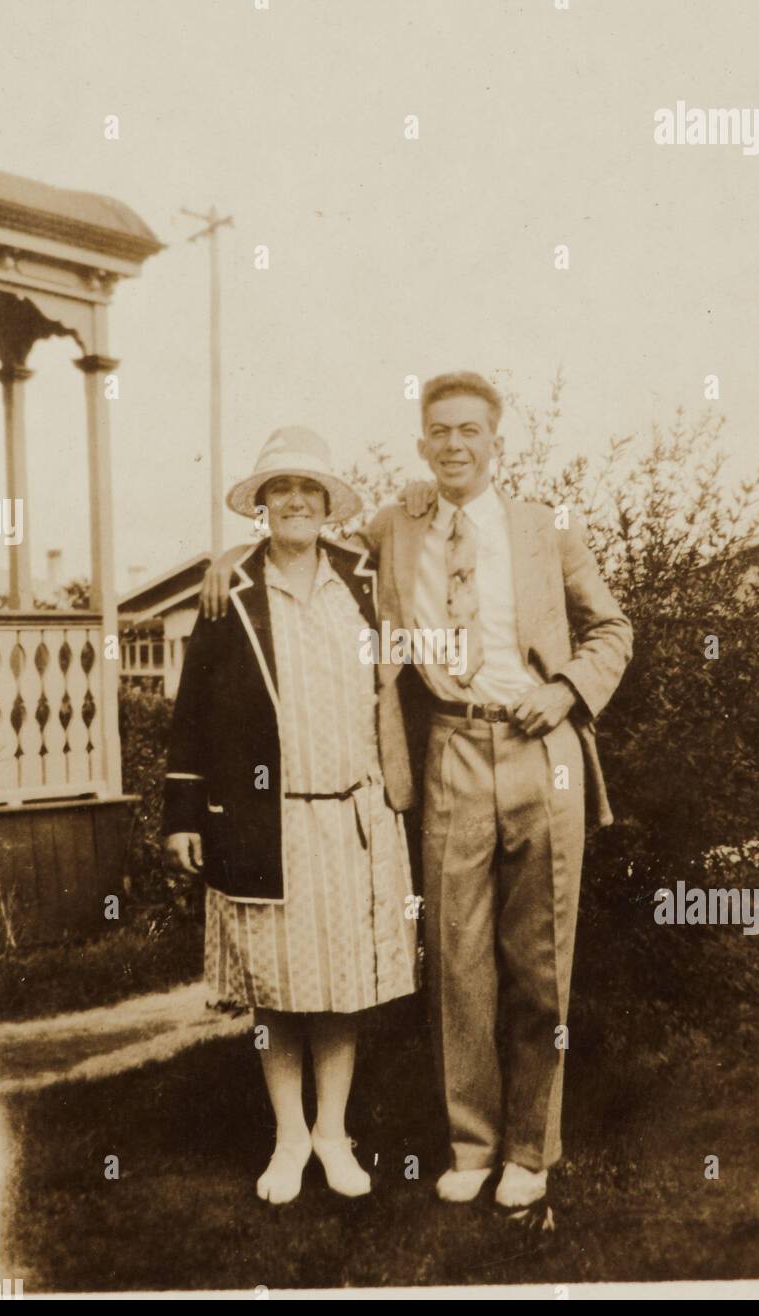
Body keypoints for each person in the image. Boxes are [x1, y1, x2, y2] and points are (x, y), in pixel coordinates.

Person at [202, 375, 632, 1214]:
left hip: (543, 749)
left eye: (470, 430)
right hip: (449, 751)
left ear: (495, 441)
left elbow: (613, 627)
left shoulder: (545, 529)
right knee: (458, 962)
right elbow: (296, 537)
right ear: (422, 442)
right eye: (438, 431)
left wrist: (571, 690)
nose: (454, 446)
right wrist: (228, 556)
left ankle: (530, 1151)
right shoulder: (392, 530)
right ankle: (472, 1146)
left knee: (541, 965)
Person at [164, 426, 419, 1206]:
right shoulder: (229, 593)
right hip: (262, 822)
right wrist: (183, 814)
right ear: (262, 504)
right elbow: (192, 713)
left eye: (310, 489)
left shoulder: (365, 579)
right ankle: (287, 1138)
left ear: (328, 502)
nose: (297, 501)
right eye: (282, 489)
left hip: (353, 817)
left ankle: (333, 1134)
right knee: (277, 990)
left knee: (342, 987)